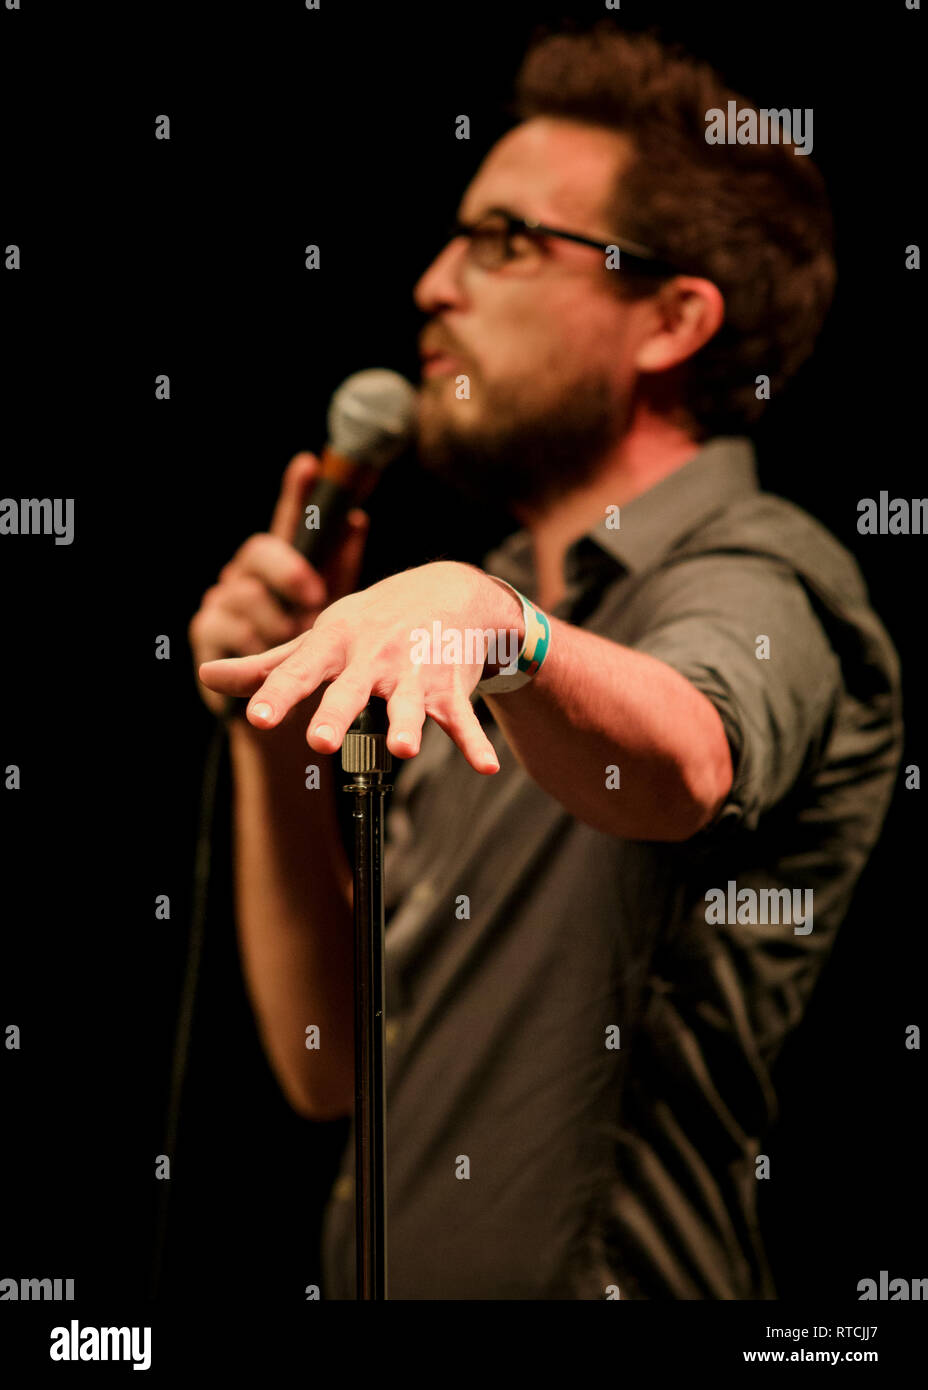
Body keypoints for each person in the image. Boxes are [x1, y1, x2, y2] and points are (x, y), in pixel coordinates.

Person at [189, 26, 903, 1298]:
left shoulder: (754, 566)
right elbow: (329, 1064)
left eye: (504, 240)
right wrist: (272, 733)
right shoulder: (493, 609)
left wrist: (496, 623)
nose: (433, 283)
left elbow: (686, 754)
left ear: (671, 318)